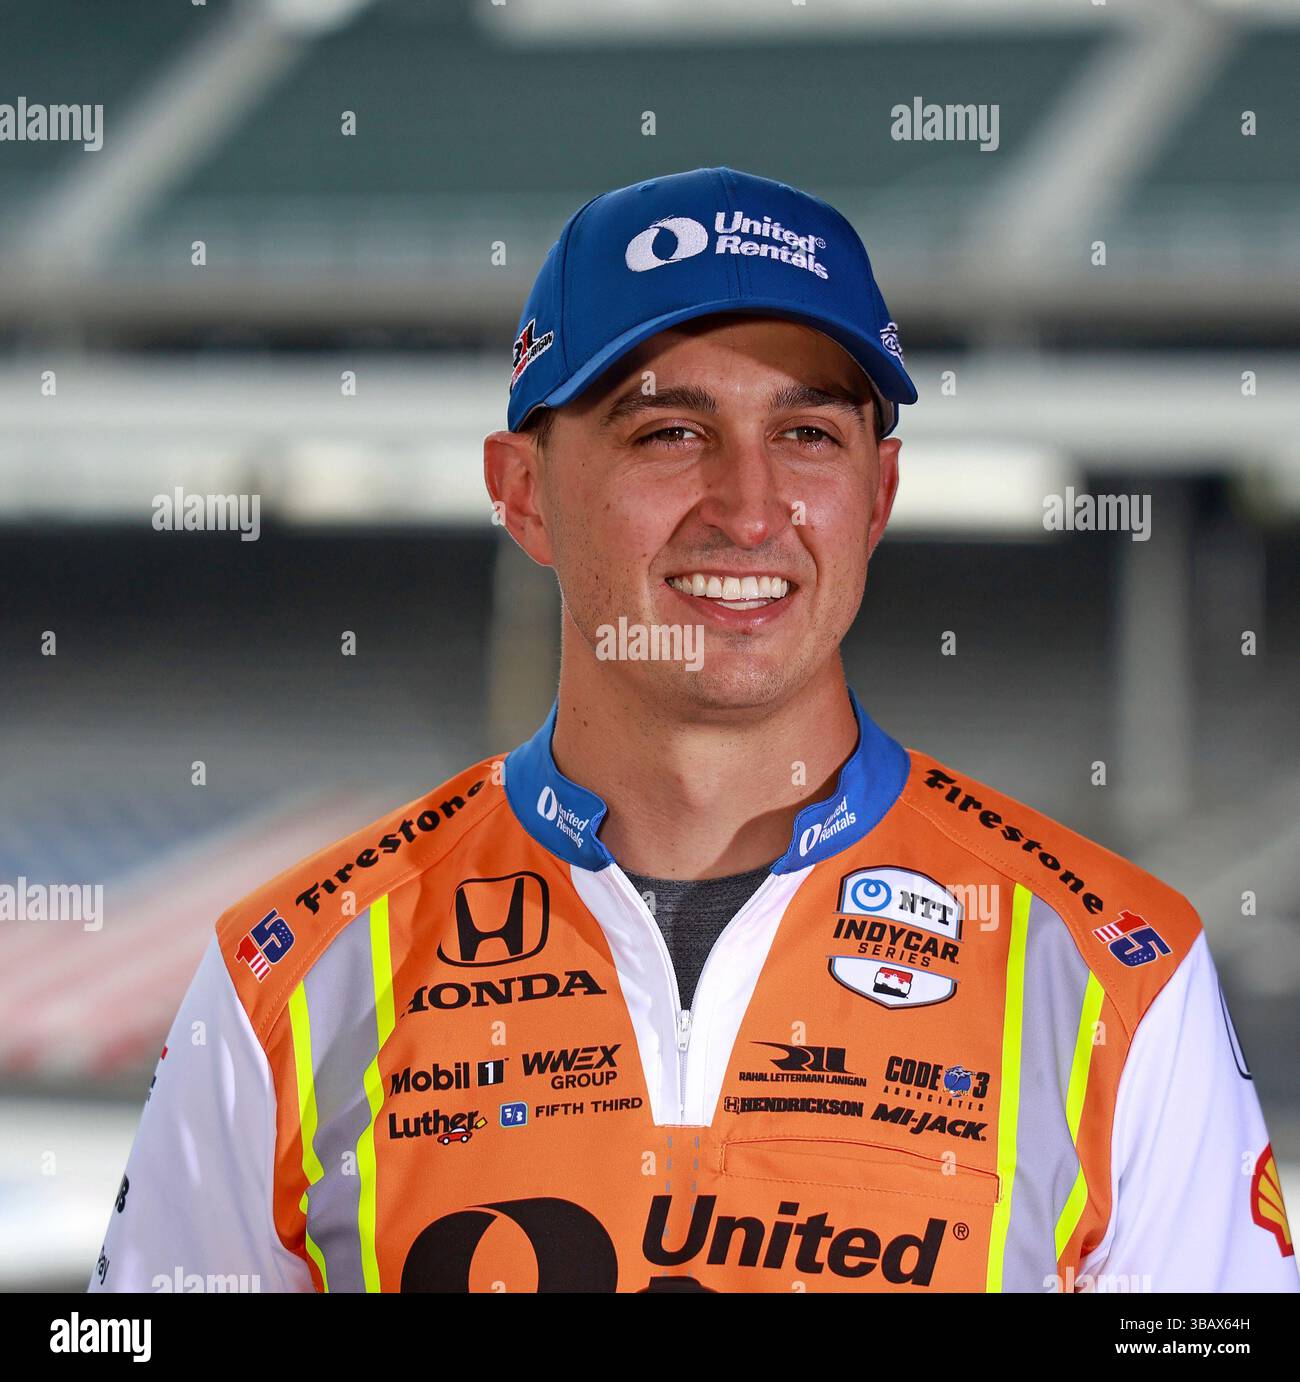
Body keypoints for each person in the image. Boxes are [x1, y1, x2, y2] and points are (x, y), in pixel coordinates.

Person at [90, 167, 1296, 1293]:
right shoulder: (287, 974)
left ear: (877, 494)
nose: (749, 506)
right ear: (521, 490)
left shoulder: (1118, 967)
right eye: (668, 430)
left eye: (808, 433)